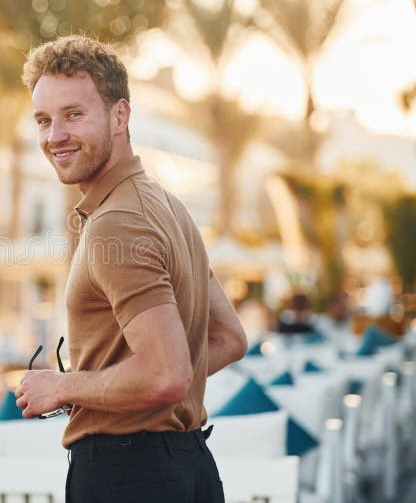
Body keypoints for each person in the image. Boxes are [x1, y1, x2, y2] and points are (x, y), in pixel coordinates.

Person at [14, 36, 247, 503]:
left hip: (129, 475)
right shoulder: (166, 206)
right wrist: (134, 389)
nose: (54, 136)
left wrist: (64, 387)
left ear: (120, 115)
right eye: (44, 119)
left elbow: (166, 375)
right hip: (187, 465)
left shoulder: (118, 222)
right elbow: (227, 340)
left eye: (74, 114)